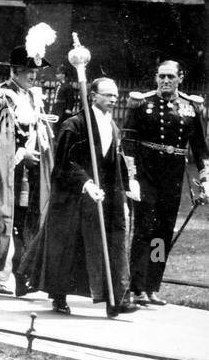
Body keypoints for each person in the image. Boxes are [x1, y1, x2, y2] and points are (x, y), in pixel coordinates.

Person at [26, 77, 140, 317]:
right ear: (93, 96)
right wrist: (86, 182)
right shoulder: (74, 125)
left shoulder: (113, 127)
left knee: (113, 243)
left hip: (106, 197)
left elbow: (115, 161)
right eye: (107, 95)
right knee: (70, 246)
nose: (113, 99)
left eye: (115, 95)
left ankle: (115, 298)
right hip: (76, 198)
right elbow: (64, 163)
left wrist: (127, 186)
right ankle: (59, 295)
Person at [0, 25, 57, 296]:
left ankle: (24, 276)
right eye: (28, 71)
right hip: (6, 173)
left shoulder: (33, 97)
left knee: (28, 222)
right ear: (14, 71)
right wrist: (20, 155)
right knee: (4, 220)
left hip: (30, 174)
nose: (33, 75)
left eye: (35, 71)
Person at [126, 60, 209, 306]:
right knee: (143, 230)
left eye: (170, 77)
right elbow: (129, 142)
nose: (165, 81)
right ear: (155, 78)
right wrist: (131, 177)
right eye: (161, 76)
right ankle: (136, 286)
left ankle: (152, 286)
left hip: (172, 179)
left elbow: (200, 149)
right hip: (146, 175)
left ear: (180, 78)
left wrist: (205, 179)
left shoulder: (190, 107)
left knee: (162, 232)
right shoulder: (143, 103)